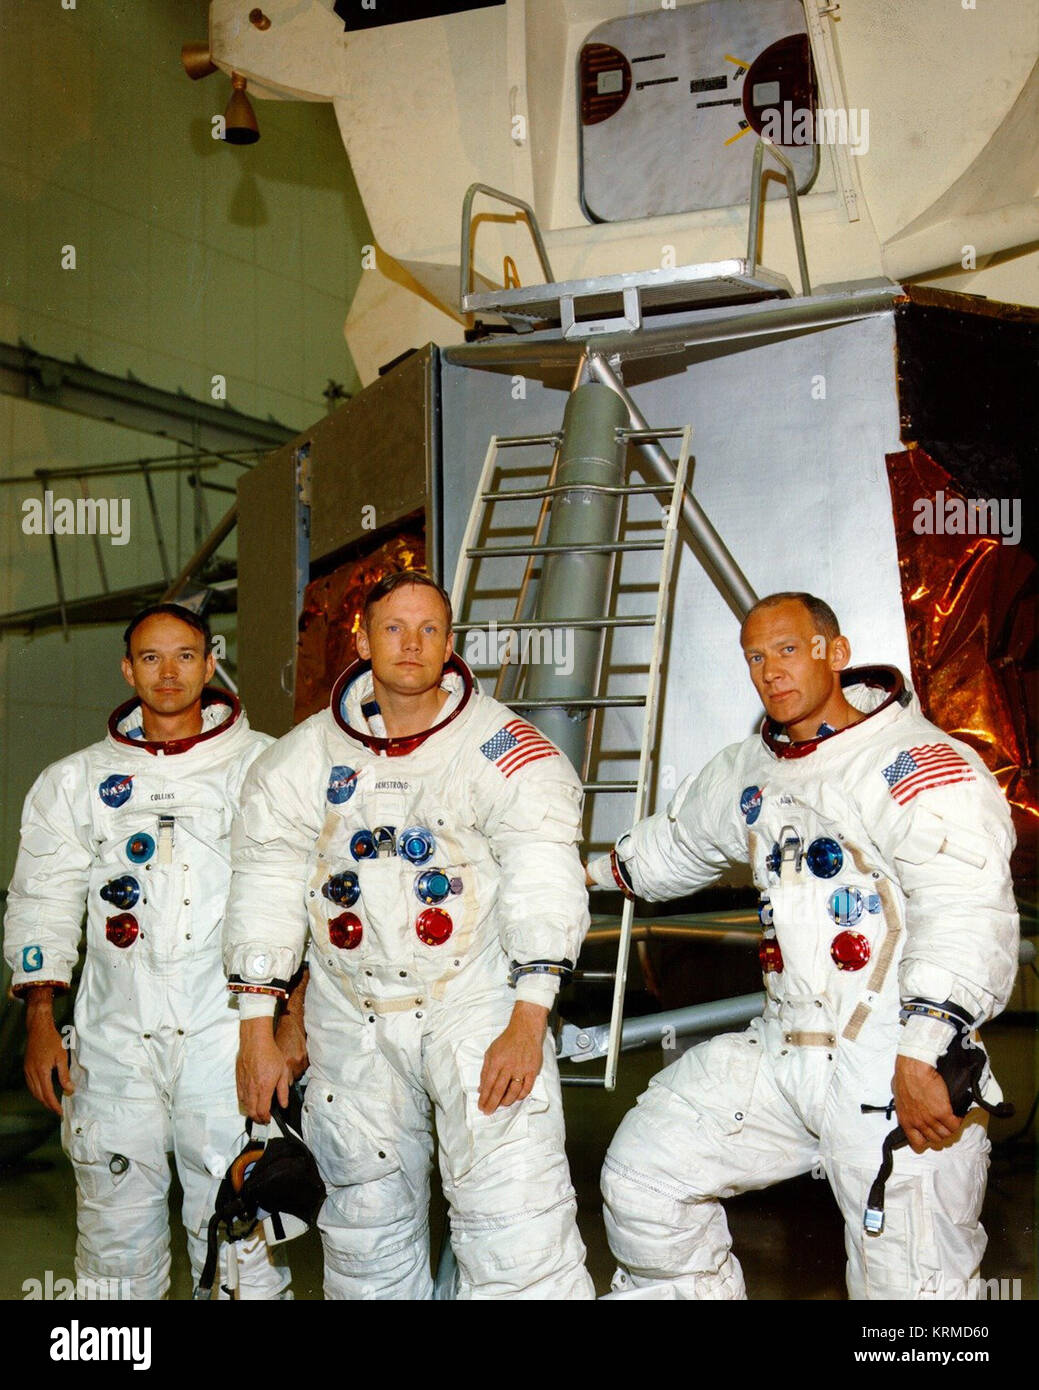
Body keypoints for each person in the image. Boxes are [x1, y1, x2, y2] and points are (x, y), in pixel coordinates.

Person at [588, 592, 1019, 1300]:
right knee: (646, 1173)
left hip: (889, 1055)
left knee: (912, 1291)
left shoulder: (915, 765)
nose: (769, 671)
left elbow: (966, 910)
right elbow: (671, 849)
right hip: (785, 1047)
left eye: (787, 650)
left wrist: (924, 1050)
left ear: (834, 653)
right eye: (754, 657)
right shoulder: (747, 772)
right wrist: (580, 876)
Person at [225, 570, 595, 1299]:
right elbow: (265, 884)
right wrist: (256, 1030)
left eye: (429, 630)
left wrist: (529, 1017)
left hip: (476, 1006)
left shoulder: (501, 748)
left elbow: (543, 875)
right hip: (351, 1015)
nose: (411, 645)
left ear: (450, 643)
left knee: (515, 1225)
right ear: (360, 639)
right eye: (393, 628)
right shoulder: (301, 759)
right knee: (365, 1234)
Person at [4, 604, 290, 1300]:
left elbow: (298, 904)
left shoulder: (265, 767)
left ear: (210, 661)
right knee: (112, 1245)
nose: (169, 673)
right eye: (152, 658)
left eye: (186, 655)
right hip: (115, 1038)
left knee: (239, 1235)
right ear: (128, 669)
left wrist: (290, 1027)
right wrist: (42, 1020)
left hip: (227, 1034)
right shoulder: (75, 783)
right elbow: (43, 901)